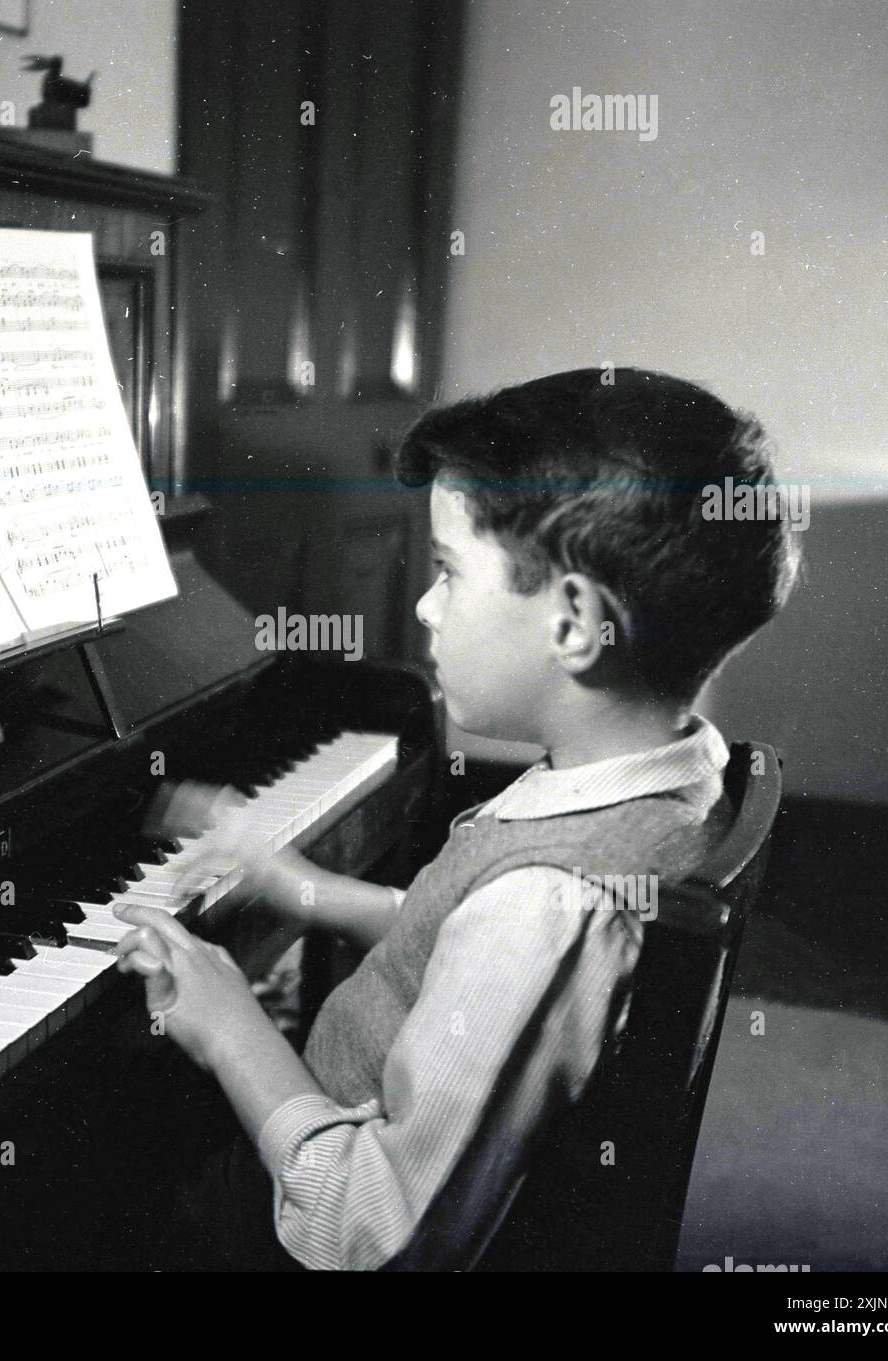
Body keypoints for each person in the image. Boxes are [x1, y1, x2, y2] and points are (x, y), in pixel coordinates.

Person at [113, 367, 802, 1270]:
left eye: (447, 570)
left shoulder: (549, 902)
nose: (424, 605)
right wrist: (311, 891)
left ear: (575, 624)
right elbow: (464, 931)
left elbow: (371, 1228)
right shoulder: (668, 776)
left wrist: (231, 1019)